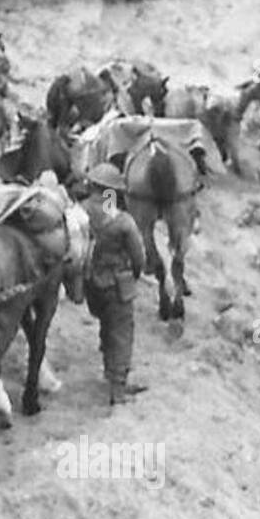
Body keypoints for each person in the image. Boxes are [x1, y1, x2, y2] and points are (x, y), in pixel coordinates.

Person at [82, 163, 148, 405]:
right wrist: (135, 275)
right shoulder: (122, 221)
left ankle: (109, 373)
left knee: (106, 328)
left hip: (90, 283)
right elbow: (139, 258)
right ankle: (117, 389)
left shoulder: (79, 213)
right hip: (117, 284)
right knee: (121, 331)